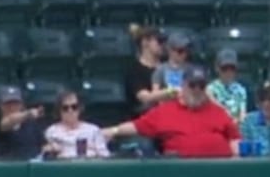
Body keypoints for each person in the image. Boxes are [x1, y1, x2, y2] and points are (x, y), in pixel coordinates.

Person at [101, 66, 241, 158]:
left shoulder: (218, 112)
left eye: (201, 86)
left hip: (219, 174)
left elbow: (235, 140)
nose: (197, 90)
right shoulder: (165, 111)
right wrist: (111, 131)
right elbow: (136, 126)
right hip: (179, 175)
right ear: (183, 85)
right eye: (192, 85)